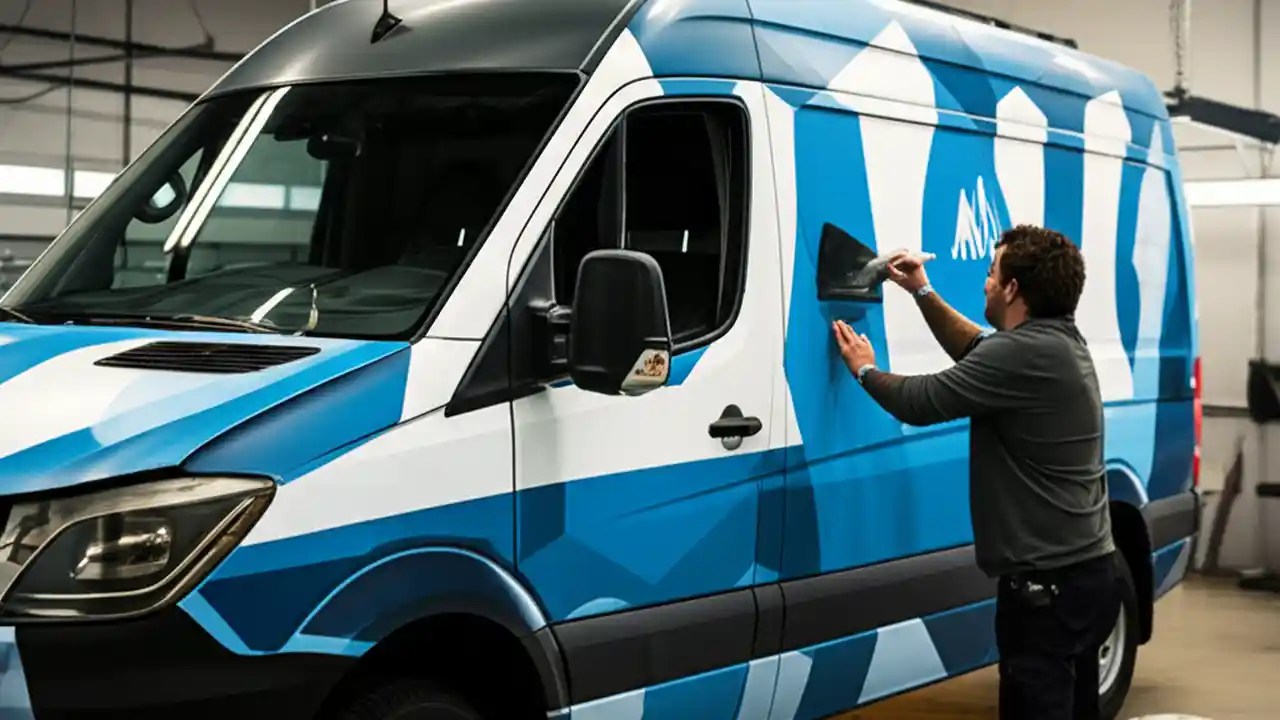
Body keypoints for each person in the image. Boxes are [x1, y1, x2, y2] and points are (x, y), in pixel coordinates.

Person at [831, 225, 1119, 720]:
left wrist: (865, 370)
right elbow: (977, 349)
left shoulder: (1023, 353)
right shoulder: (1055, 341)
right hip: (1084, 577)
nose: (985, 282)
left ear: (1012, 289)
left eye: (992, 273)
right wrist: (921, 291)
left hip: (1048, 592)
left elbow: (920, 401)